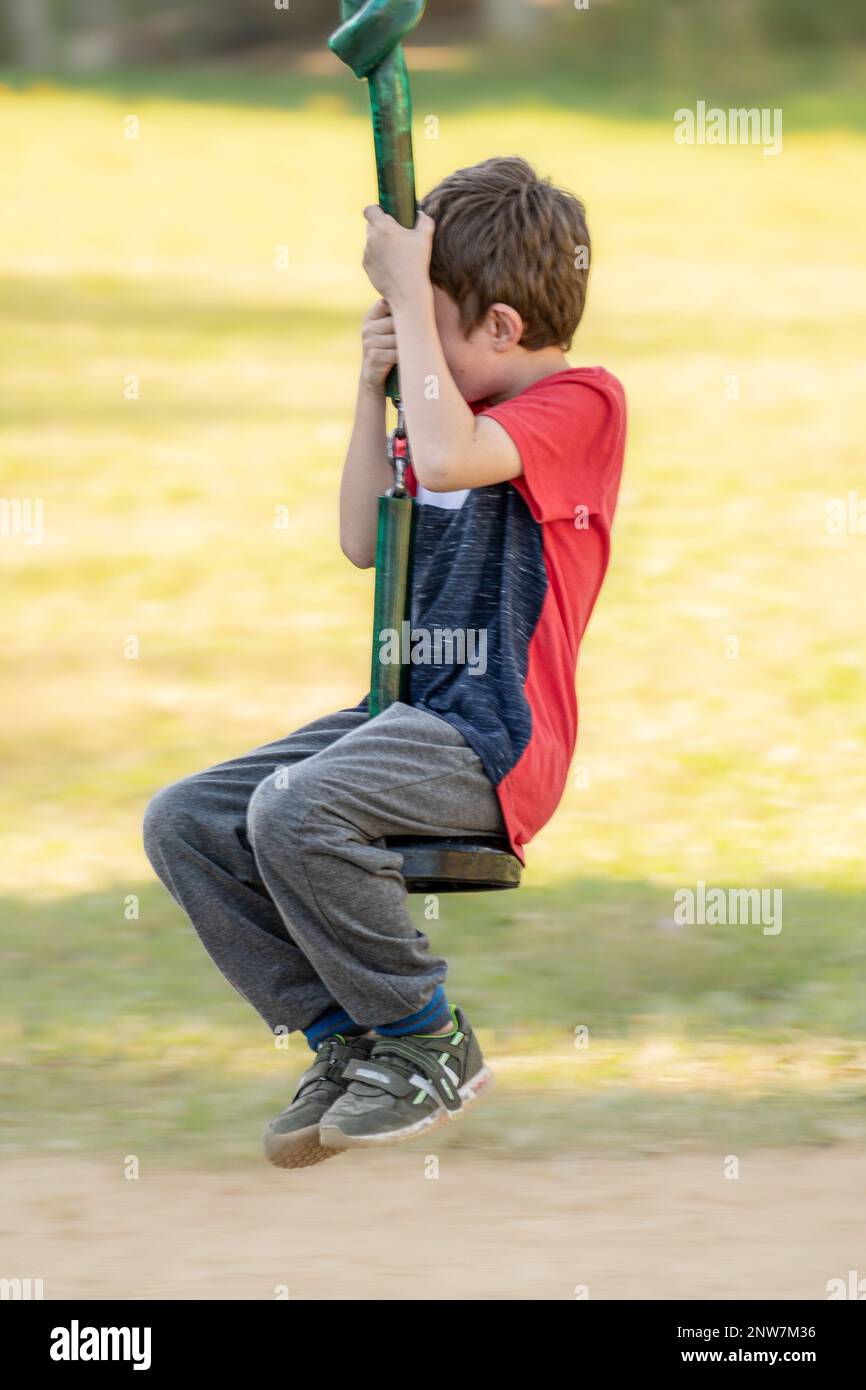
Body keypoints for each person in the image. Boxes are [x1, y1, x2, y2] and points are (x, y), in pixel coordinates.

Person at [143, 156, 626, 1169]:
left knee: (293, 808)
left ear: (500, 329)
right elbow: (366, 537)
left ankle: (426, 1038)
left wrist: (409, 298)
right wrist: (373, 389)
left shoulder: (580, 405)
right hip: (400, 713)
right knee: (186, 819)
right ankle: (347, 1038)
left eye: (429, 320)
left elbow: (453, 459)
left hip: (490, 735)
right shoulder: (444, 408)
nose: (412, 342)